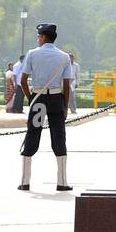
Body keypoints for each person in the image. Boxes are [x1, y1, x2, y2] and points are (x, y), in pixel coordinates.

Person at [18, 23, 73, 192]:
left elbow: (23, 80)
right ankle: (62, 182)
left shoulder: (32, 54)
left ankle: (25, 181)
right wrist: (65, 107)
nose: (38, 39)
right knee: (58, 137)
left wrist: (31, 98)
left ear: (42, 37)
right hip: (56, 99)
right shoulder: (64, 57)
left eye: (38, 36)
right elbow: (66, 85)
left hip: (38, 100)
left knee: (32, 135)